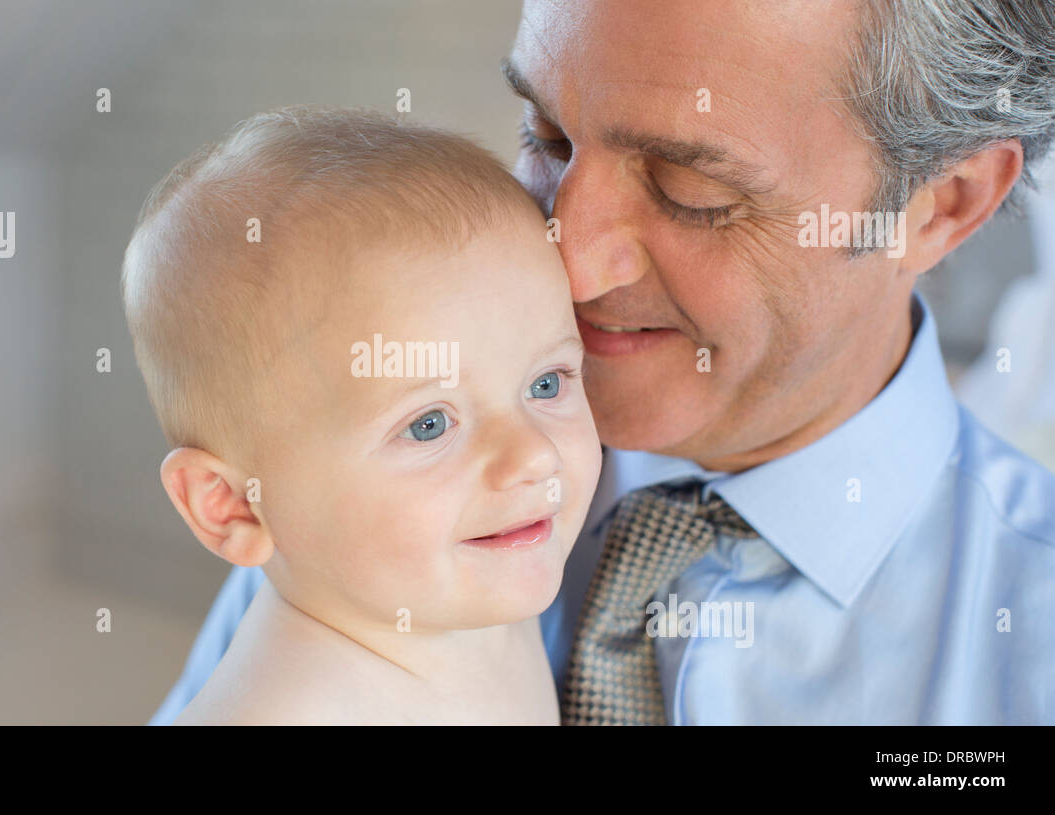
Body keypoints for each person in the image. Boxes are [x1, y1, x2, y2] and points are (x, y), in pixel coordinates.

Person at [153, 0, 1055, 724]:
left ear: (941, 205)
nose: (568, 259)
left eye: (690, 191)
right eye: (546, 138)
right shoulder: (349, 511)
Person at [121, 107, 602, 723]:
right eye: (428, 424)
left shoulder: (475, 597)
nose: (536, 454)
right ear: (234, 504)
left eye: (545, 382)